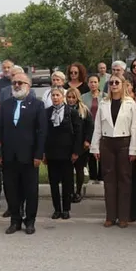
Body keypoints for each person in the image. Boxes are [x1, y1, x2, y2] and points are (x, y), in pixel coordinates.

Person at [0, 72, 47, 235]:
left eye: (20, 82)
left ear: (28, 85)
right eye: (14, 83)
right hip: (9, 155)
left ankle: (30, 221)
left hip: (29, 156)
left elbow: (42, 132)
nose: (17, 85)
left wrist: (38, 154)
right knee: (11, 190)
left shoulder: (37, 105)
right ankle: (15, 220)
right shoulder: (5, 104)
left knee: (30, 190)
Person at [92, 77, 136, 227]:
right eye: (111, 83)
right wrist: (95, 147)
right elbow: (98, 127)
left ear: (123, 85)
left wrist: (134, 149)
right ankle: (110, 216)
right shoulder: (103, 103)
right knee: (109, 180)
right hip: (107, 143)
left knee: (124, 179)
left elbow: (134, 128)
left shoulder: (130, 103)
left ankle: (123, 216)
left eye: (116, 83)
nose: (113, 85)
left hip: (124, 143)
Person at [43, 86, 81, 220]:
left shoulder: (71, 112)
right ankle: (56, 209)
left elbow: (78, 133)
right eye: (53, 95)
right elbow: (43, 134)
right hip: (52, 152)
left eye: (57, 95)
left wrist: (76, 151)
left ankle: (66, 209)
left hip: (67, 153)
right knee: (53, 183)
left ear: (62, 97)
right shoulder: (46, 113)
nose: (55, 98)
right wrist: (43, 153)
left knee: (67, 182)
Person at [67, 87, 93, 203]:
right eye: (69, 97)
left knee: (79, 169)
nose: (71, 100)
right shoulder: (64, 110)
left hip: (81, 144)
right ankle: (70, 191)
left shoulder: (84, 110)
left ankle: (78, 191)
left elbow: (90, 126)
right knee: (68, 170)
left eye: (73, 97)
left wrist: (87, 140)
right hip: (68, 144)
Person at [82, 74, 103, 184]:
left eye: (95, 82)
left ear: (99, 83)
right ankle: (93, 176)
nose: (93, 84)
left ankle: (101, 177)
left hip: (102, 128)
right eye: (91, 82)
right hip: (89, 128)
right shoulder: (84, 97)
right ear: (88, 83)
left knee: (102, 152)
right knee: (91, 152)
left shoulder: (105, 96)